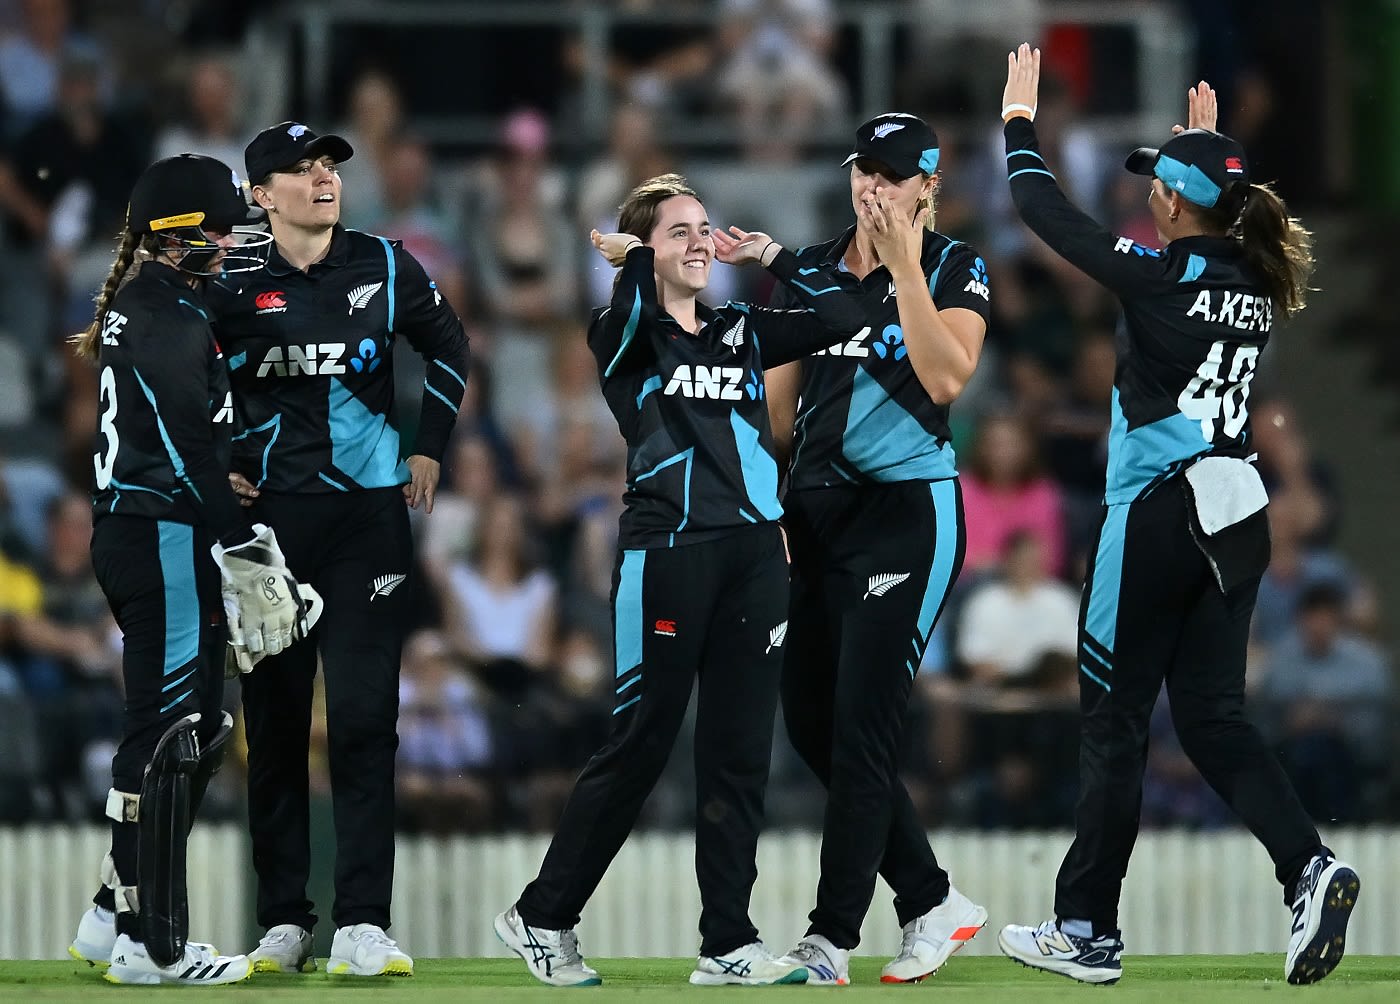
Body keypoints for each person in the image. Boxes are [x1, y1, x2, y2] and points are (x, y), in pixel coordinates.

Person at [993, 46, 1359, 987]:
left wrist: (1020, 127)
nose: (1147, 191)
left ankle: (1085, 928)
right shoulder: (1253, 279)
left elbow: (1047, 216)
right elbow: (1211, 214)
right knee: (1213, 719)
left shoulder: (1162, 279)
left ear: (1176, 203)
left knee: (1112, 722)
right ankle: (1308, 868)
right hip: (1238, 510)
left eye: (1157, 181)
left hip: (1155, 511)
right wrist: (1197, 147)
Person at [493, 173, 867, 988]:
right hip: (667, 553)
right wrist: (632, 264)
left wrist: (771, 254)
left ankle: (727, 943)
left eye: (705, 227)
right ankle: (542, 914)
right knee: (640, 744)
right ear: (642, 252)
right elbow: (626, 311)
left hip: (756, 559)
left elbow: (846, 314)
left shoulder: (741, 328)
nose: (700, 241)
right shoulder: (622, 332)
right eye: (679, 232)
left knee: (739, 757)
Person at [207, 121, 471, 978]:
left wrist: (429, 444)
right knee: (276, 729)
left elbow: (451, 347)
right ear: (259, 194)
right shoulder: (228, 277)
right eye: (301, 168)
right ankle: (284, 921)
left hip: (366, 521)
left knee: (365, 721)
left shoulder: (387, 264)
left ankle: (363, 921)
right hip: (265, 533)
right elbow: (180, 382)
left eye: (329, 165)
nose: (323, 177)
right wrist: (222, 467)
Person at [65, 153, 316, 986]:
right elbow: (180, 453)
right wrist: (243, 544)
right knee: (174, 736)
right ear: (176, 237)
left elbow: (186, 441)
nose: (230, 244)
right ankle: (154, 943)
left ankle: (113, 910)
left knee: (189, 729)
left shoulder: (155, 304)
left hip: (143, 532)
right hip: (163, 535)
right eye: (217, 232)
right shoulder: (167, 319)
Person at [760, 112, 992, 986]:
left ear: (928, 186)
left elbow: (945, 377)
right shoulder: (811, 269)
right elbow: (778, 414)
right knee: (813, 726)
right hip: (815, 515)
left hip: (908, 513)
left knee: (861, 727)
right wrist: (770, 503)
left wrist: (902, 272)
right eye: (864, 170)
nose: (872, 188)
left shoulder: (956, 267)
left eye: (892, 176)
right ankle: (932, 898)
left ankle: (830, 938)